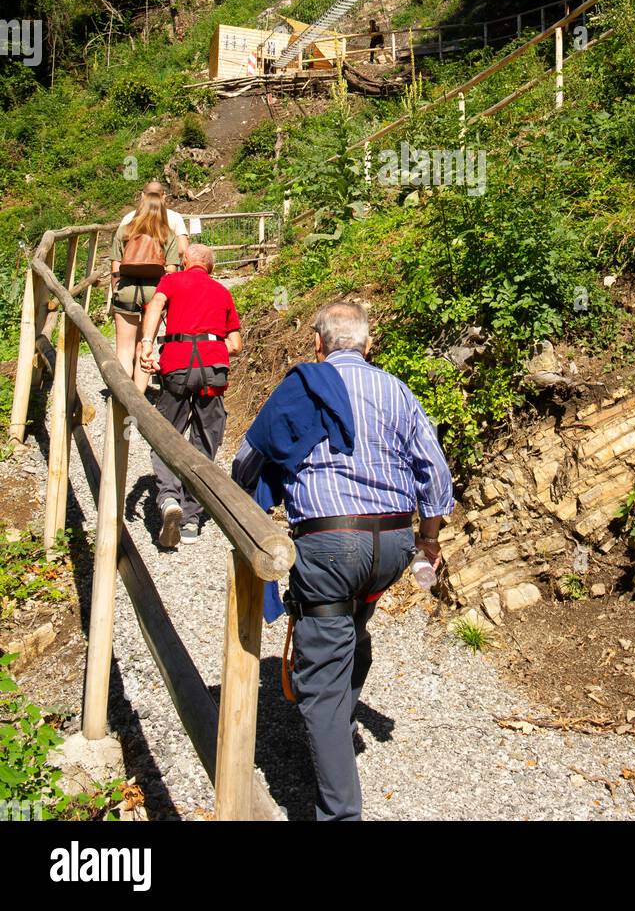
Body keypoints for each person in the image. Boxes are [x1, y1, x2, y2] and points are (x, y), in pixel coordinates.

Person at [233, 300, 454, 822]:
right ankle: (334, 729)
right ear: (369, 344)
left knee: (321, 678)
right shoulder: (397, 390)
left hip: (331, 544)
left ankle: (338, 810)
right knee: (354, 624)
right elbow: (435, 474)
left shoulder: (302, 387)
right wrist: (428, 537)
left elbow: (249, 457)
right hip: (393, 545)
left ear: (318, 345)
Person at [138, 244, 242, 548]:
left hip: (178, 364)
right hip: (212, 369)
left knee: (165, 433)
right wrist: (214, 344)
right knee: (205, 440)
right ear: (210, 267)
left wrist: (147, 342)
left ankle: (169, 498)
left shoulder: (171, 281)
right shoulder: (222, 291)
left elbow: (155, 306)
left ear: (185, 261)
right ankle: (192, 520)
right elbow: (235, 343)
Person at [111, 191, 180, 392]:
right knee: (144, 344)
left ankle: (122, 397)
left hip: (126, 291)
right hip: (155, 295)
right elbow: (171, 271)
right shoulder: (167, 235)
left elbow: (115, 266)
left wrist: (116, 289)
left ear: (140, 208)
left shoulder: (124, 231)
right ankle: (139, 399)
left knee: (124, 348)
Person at [118, 181, 190, 258]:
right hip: (165, 267)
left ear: (142, 195)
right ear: (164, 196)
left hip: (132, 267)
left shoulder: (128, 218)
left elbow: (119, 249)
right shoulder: (175, 217)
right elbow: (183, 249)